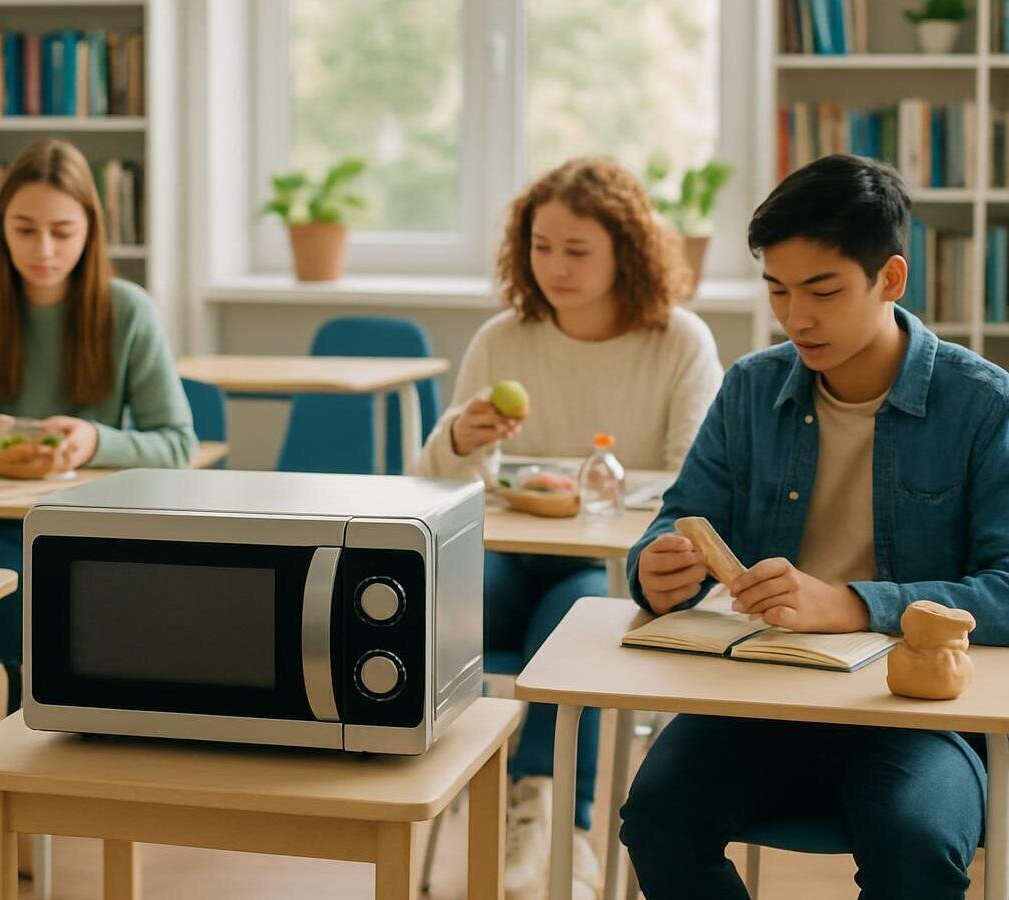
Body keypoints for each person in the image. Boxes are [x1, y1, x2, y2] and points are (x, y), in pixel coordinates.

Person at [622, 154, 1009, 900]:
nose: (795, 317)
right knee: (657, 819)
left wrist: (856, 605)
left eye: (822, 291)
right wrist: (656, 568)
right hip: (763, 697)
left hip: (915, 716)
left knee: (916, 844)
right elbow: (677, 518)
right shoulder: (751, 388)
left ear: (890, 280)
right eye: (777, 290)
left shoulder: (983, 406)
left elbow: (1005, 589)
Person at [416, 157, 723, 898]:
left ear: (627, 249)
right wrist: (462, 436)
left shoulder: (679, 342)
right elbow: (441, 490)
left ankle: (551, 818)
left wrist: (586, 486)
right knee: (427, 604)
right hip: (509, 558)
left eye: (577, 249)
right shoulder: (503, 338)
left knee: (578, 617)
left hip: (615, 572)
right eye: (541, 246)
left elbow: (698, 484)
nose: (555, 266)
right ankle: (428, 802)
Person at [0, 139, 196, 719]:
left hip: (88, 535)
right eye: (24, 230)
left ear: (91, 231)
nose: (43, 249)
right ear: (1, 230)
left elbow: (176, 442)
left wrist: (95, 439)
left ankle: (46, 763)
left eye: (62, 231)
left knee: (55, 606)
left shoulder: (128, 311)